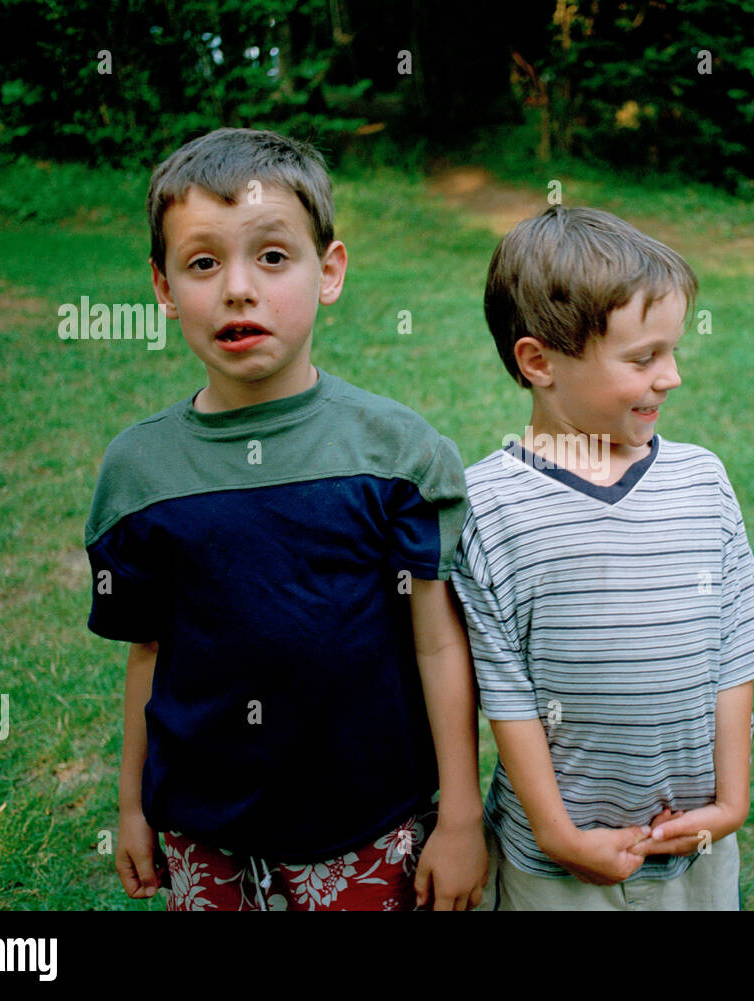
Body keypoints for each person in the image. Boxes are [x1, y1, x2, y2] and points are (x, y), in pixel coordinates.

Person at [84, 128, 487, 911]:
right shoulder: (137, 472)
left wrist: (462, 814)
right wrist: (133, 807)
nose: (238, 289)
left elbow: (438, 640)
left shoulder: (398, 453)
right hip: (202, 831)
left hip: (369, 822)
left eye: (272, 257)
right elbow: (148, 651)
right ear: (163, 288)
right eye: (202, 263)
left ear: (328, 271)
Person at [452, 205, 754, 909]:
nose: (671, 377)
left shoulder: (702, 480)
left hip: (692, 846)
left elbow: (734, 656)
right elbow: (505, 696)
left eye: (671, 351)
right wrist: (559, 835)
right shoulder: (486, 506)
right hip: (553, 864)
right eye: (642, 359)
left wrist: (730, 804)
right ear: (539, 360)